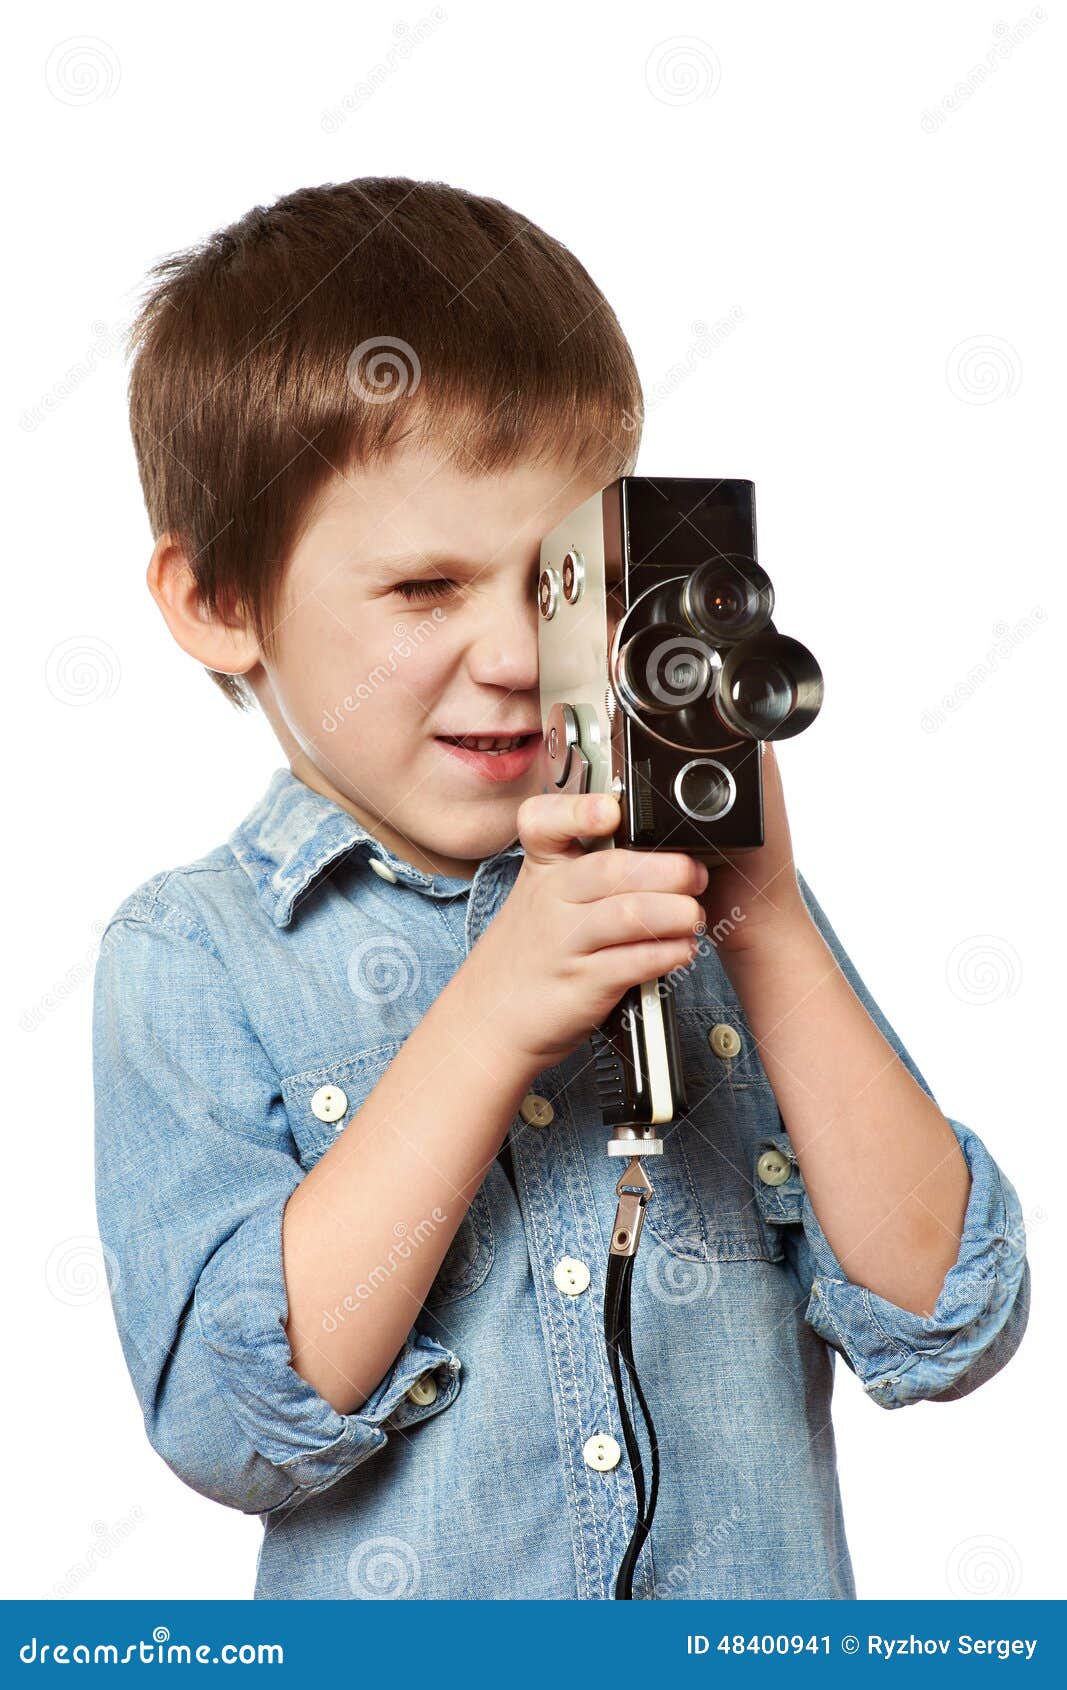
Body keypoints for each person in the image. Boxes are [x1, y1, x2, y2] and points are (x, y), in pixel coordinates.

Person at [93, 176, 1029, 1601]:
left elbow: (943, 1314)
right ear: (222, 600)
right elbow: (239, 1423)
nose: (517, 656)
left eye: (558, 582)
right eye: (424, 588)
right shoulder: (197, 954)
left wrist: (764, 916)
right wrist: (491, 1019)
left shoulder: (696, 895)